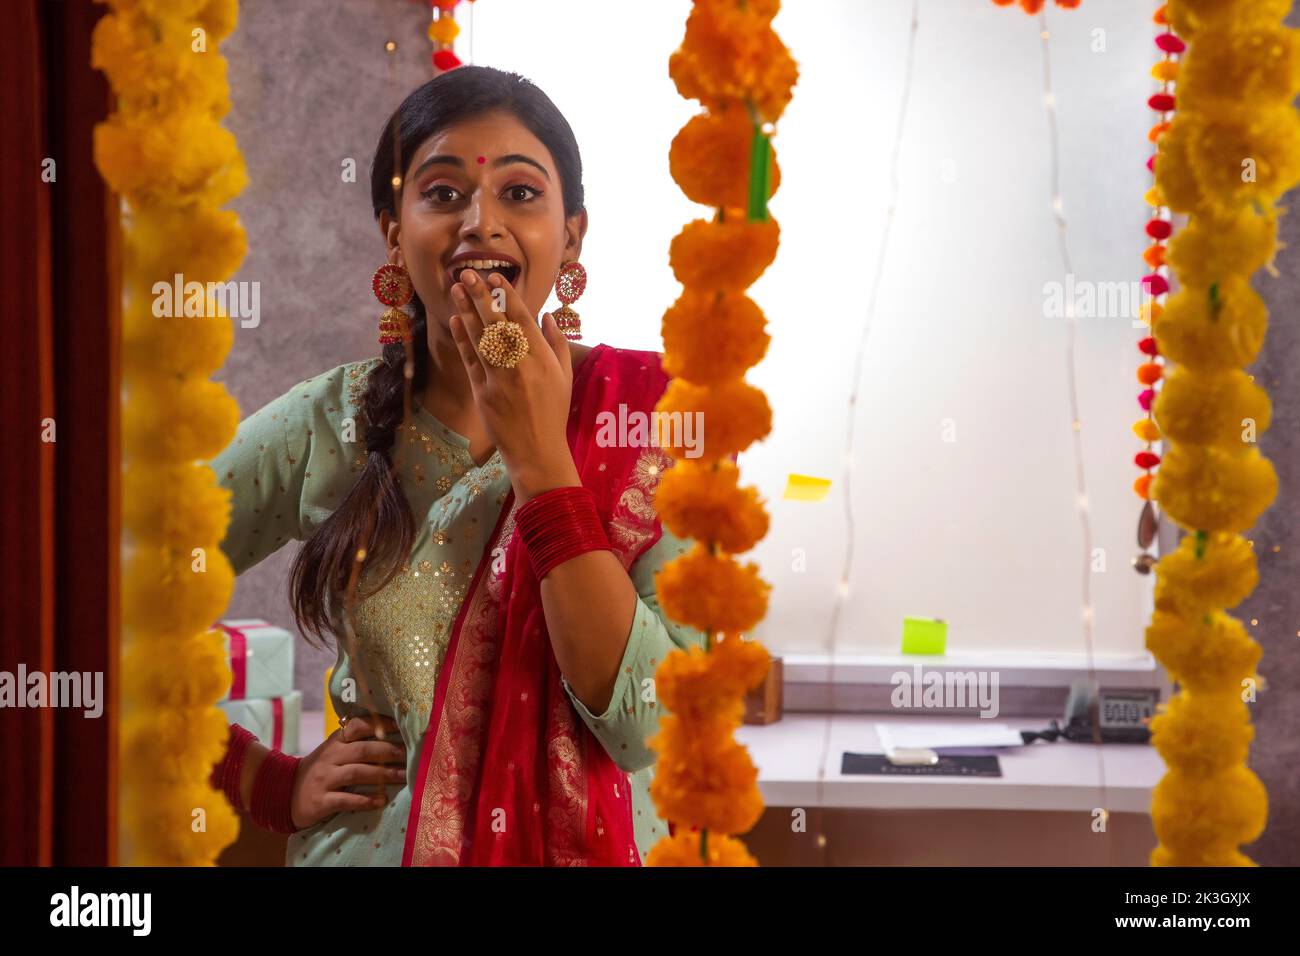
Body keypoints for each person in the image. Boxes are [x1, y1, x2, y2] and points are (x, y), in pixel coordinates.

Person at [207, 65, 705, 866]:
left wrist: (542, 460)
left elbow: (652, 728)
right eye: (442, 193)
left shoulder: (646, 416)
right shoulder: (331, 421)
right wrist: (260, 779)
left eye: (520, 193)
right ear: (393, 234)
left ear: (571, 235)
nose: (481, 222)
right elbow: (111, 591)